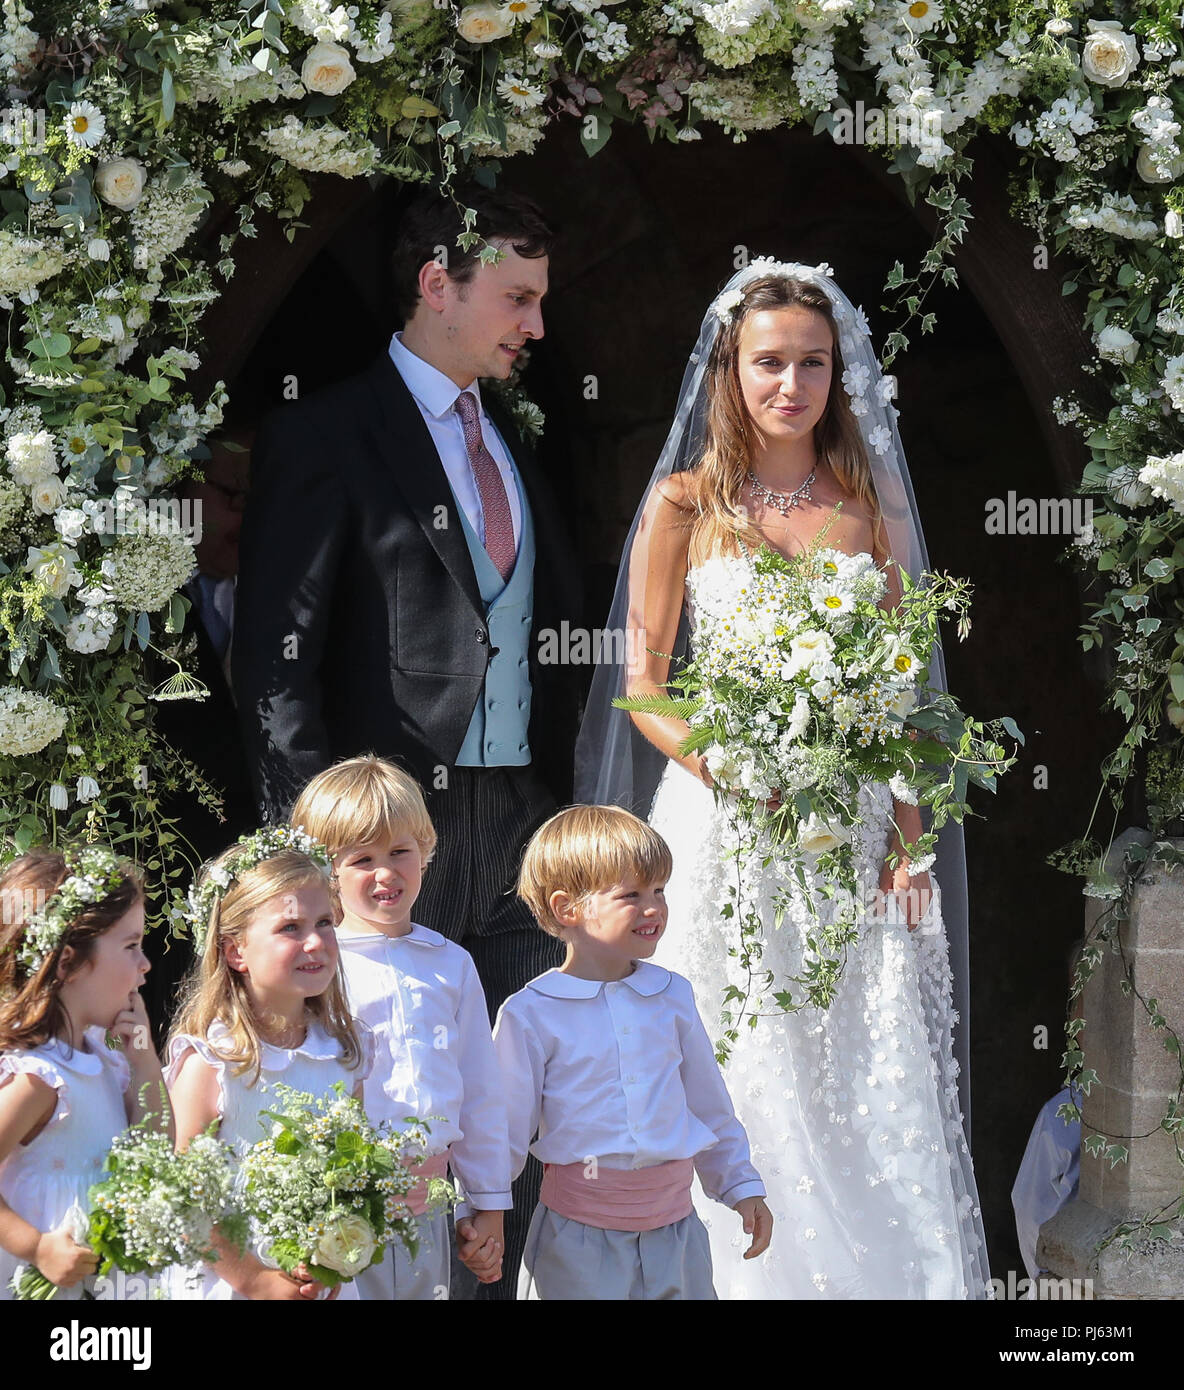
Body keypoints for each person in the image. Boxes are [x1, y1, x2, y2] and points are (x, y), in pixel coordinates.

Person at [576, 259, 989, 1298]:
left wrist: (906, 846)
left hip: (848, 832)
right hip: (726, 824)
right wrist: (736, 764)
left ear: (836, 372)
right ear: (730, 369)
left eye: (812, 362)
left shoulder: (868, 508)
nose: (790, 385)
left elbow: (905, 699)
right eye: (768, 362)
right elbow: (644, 682)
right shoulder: (682, 505)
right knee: (738, 1048)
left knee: (857, 1060)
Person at [233, 186, 581, 1293]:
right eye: (514, 298)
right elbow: (275, 661)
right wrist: (311, 843)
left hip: (523, 826)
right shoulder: (323, 432)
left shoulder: (525, 437)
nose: (534, 326)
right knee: (377, 1099)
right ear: (438, 283)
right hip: (386, 841)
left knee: (512, 1104)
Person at [494, 804, 772, 1300]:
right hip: (578, 1240)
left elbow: (707, 1102)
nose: (654, 908)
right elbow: (505, 1129)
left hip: (675, 1233)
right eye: (632, 895)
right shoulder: (531, 1013)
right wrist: (485, 1205)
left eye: (659, 891)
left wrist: (740, 1184)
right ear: (568, 909)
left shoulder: (672, 995)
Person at [291, 754, 512, 1299]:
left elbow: (480, 1091)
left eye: (399, 852)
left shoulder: (451, 962)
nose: (385, 873)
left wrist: (488, 1204)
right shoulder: (317, 963)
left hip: (427, 1212)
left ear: (425, 851)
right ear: (325, 870)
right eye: (362, 859)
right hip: (333, 1209)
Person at [165, 826, 372, 1300]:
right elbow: (180, 1191)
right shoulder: (213, 1061)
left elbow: (353, 1172)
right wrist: (252, 1278)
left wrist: (333, 1258)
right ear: (236, 950)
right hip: (232, 1279)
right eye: (290, 928)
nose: (316, 942)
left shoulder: (344, 1053)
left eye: (325, 924)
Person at [0, 846, 169, 1300]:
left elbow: (157, 1148)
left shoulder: (107, 1058)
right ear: (70, 962)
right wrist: (35, 1247)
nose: (145, 964)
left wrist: (144, 1060)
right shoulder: (37, 1078)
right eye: (131, 946)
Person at [146, 427, 258, 1046]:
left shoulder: (280, 589)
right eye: (229, 494)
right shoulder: (136, 603)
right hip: (167, 857)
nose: (245, 515)